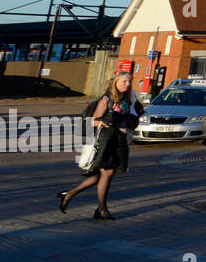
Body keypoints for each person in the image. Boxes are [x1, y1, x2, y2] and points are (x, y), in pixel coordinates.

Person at [58, 71, 143, 220]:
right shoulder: (107, 99)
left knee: (101, 175)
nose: (127, 84)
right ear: (115, 82)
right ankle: (102, 209)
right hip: (106, 139)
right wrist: (106, 123)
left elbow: (131, 117)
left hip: (119, 140)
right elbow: (92, 121)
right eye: (124, 81)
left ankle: (70, 194)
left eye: (129, 82)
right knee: (107, 173)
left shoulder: (128, 100)